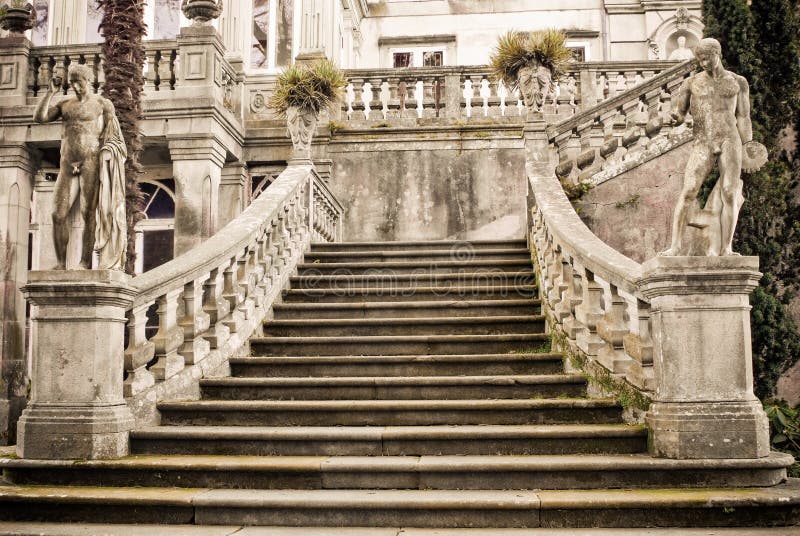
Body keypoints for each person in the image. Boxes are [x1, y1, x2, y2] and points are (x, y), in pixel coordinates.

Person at [661, 38, 765, 257]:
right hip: (703, 141)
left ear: (718, 54)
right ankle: (676, 246)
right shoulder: (691, 83)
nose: (703, 63)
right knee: (689, 190)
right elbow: (680, 113)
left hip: (730, 139)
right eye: (700, 59)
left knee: (729, 192)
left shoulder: (738, 82)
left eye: (707, 58)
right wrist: (674, 117)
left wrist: (748, 144)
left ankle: (727, 248)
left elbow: (743, 117)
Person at [33, 63, 127, 270]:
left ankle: (85, 261)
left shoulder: (102, 104)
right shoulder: (65, 104)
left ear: (89, 81)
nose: (76, 86)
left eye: (79, 81)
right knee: (57, 214)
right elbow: (40, 118)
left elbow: (114, 137)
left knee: (88, 213)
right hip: (67, 165)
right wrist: (50, 93)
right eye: (72, 82)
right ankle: (60, 263)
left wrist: (109, 152)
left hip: (90, 163)